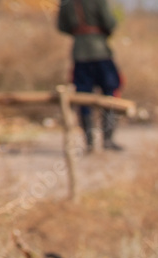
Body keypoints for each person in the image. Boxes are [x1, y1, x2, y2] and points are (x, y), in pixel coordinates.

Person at [57, 0, 123, 151]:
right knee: (110, 92)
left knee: (82, 96)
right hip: (100, 52)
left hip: (79, 53)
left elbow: (62, 26)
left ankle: (89, 142)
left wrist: (80, 34)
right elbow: (110, 22)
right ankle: (107, 139)